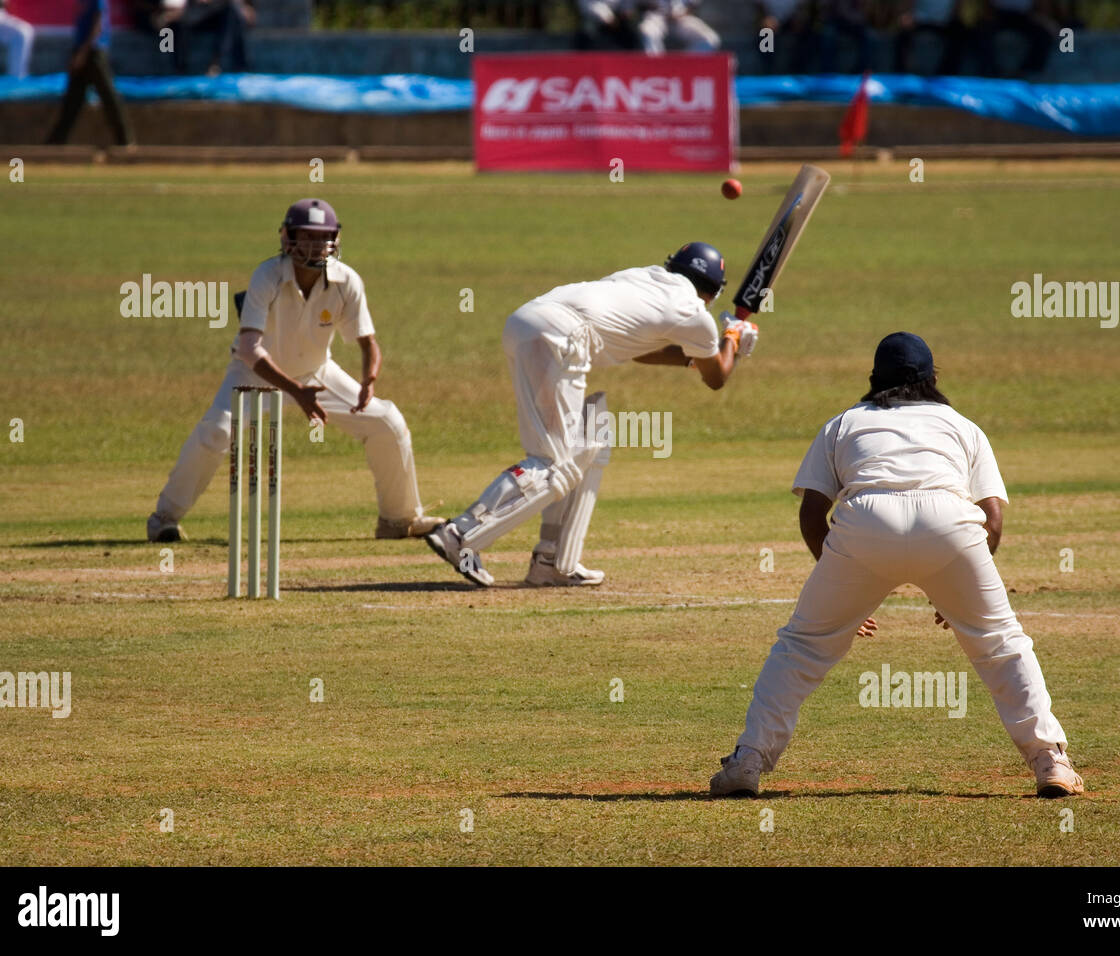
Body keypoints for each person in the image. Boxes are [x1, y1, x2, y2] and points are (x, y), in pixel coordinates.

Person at [710, 332, 1084, 799]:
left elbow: (811, 514)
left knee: (802, 646)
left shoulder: (844, 423)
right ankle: (1051, 761)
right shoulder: (961, 425)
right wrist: (957, 590)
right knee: (1002, 645)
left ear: (873, 378)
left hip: (866, 521)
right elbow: (993, 518)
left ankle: (747, 763)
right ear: (932, 379)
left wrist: (843, 587)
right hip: (950, 524)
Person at [426, 243, 757, 588]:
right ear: (713, 292)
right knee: (554, 463)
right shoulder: (694, 313)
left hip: (528, 321)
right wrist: (733, 337)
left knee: (591, 438)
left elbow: (643, 352)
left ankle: (553, 562)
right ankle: (460, 534)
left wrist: (716, 350)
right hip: (563, 337)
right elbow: (717, 377)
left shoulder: (643, 277)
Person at [147, 199, 443, 544]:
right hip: (253, 375)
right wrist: (295, 392)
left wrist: (369, 379)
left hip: (315, 374)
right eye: (306, 236)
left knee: (387, 422)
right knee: (216, 431)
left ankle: (398, 519)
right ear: (288, 238)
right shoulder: (267, 275)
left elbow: (368, 343)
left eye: (322, 237)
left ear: (335, 239)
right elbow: (249, 348)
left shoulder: (347, 281)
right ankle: (163, 519)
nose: (314, 245)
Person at [45, 0, 134, 146]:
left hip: (93, 52)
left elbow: (97, 24)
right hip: (83, 49)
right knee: (73, 99)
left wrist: (83, 52)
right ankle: (56, 140)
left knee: (108, 96)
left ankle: (125, 140)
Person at [626, 0, 720, 54]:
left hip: (681, 17)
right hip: (656, 16)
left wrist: (682, 13)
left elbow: (692, 4)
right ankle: (657, 68)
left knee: (710, 39)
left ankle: (683, 66)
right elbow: (629, 8)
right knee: (648, 32)